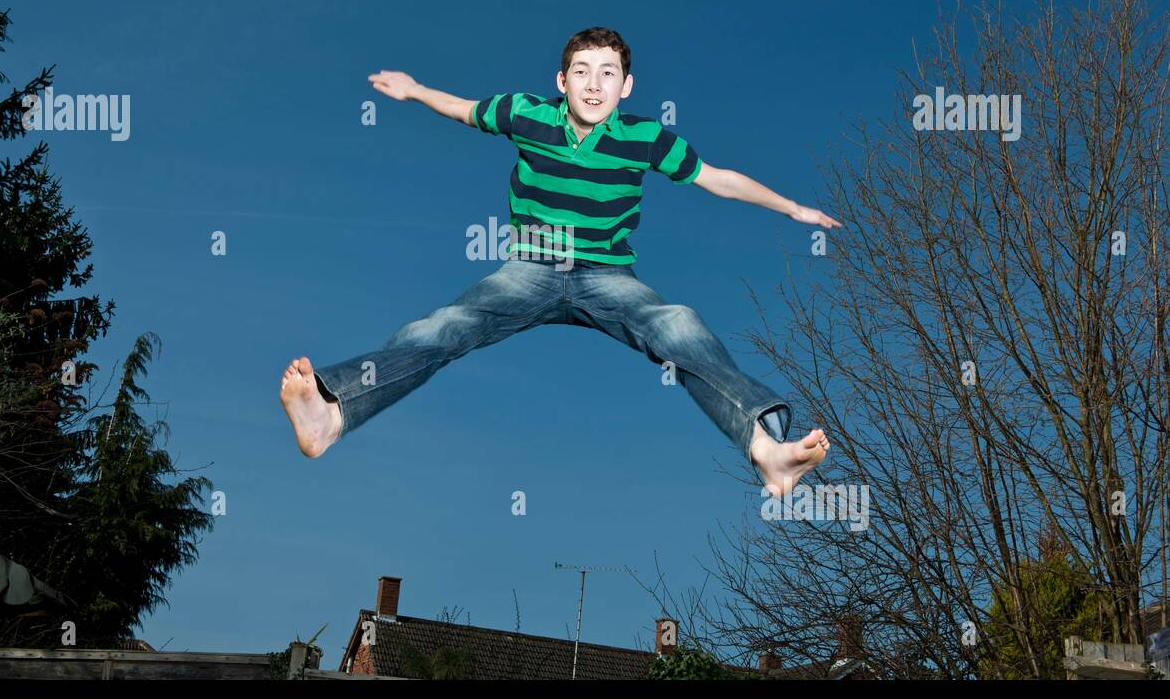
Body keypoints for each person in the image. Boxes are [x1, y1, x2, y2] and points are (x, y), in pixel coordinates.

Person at [280, 27, 842, 497]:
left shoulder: (645, 138)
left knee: (677, 325)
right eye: (581, 71)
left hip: (607, 276)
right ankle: (333, 414)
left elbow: (717, 178)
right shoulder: (528, 114)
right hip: (533, 268)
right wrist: (416, 89)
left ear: (626, 85)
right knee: (447, 326)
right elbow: (465, 110)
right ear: (561, 81)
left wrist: (792, 207)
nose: (593, 84)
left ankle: (766, 449)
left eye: (606, 73)